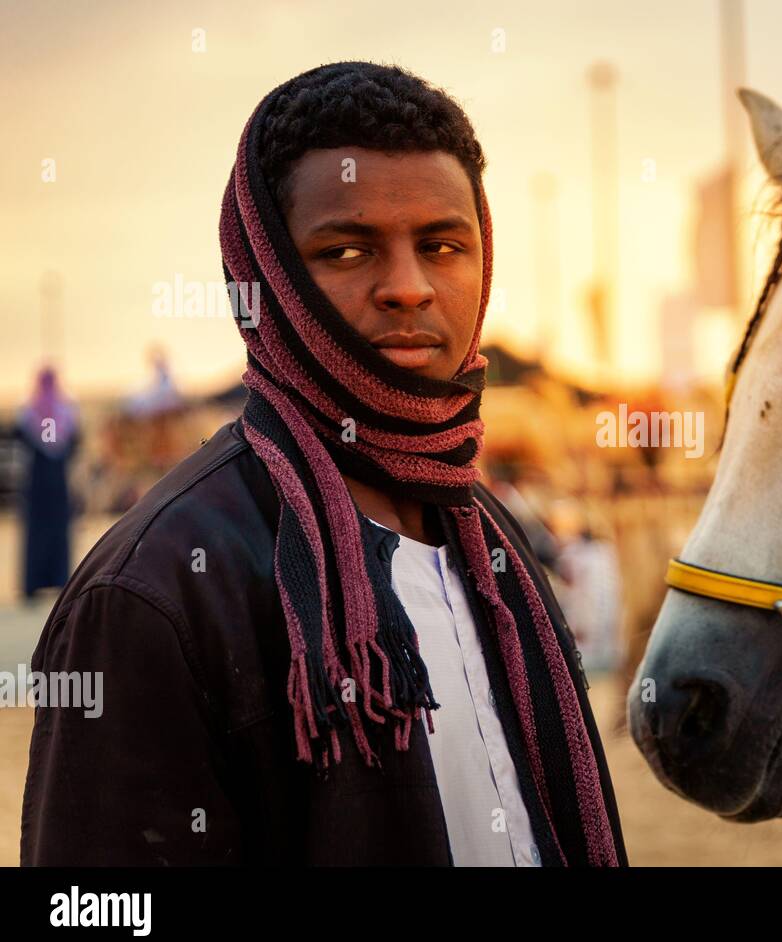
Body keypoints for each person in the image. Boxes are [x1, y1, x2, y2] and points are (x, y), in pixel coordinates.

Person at [21, 62, 627, 866]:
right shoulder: (154, 592)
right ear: (266, 276)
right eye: (347, 250)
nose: (408, 288)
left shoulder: (493, 542)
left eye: (442, 246)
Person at [14, 365, 80, 601]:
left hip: (38, 484)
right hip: (53, 483)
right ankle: (55, 578)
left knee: (45, 532)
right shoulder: (65, 412)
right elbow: (73, 445)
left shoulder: (28, 412)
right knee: (50, 531)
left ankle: (39, 582)